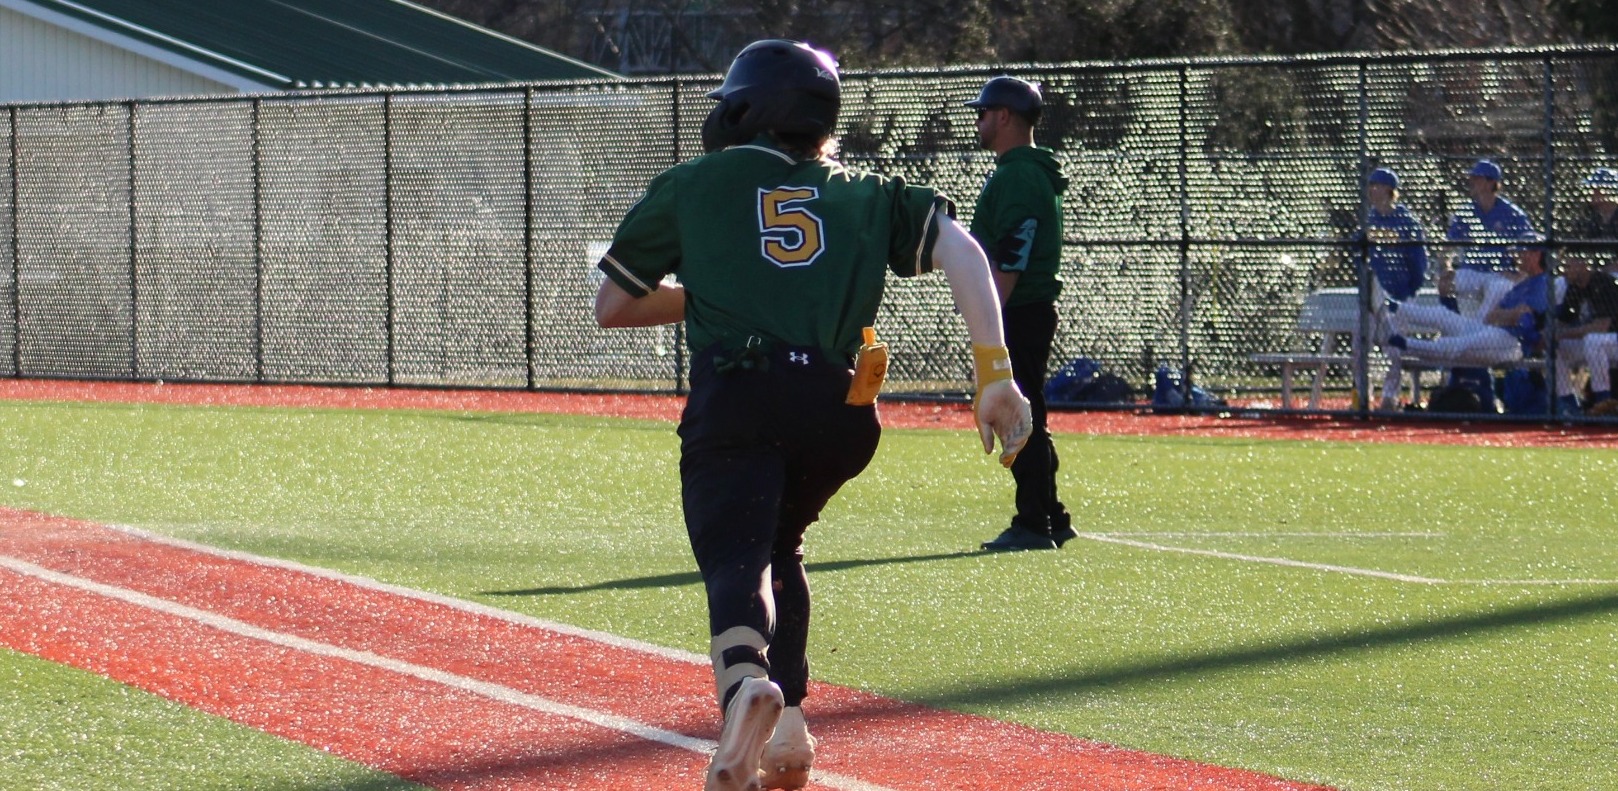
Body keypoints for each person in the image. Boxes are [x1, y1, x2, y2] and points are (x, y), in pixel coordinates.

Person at [592, 40, 1033, 791]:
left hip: (741, 390)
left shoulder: (696, 182)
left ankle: (745, 691)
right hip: (838, 407)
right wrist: (994, 373)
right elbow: (963, 252)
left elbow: (615, 303)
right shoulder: (866, 188)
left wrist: (711, 295)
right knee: (782, 541)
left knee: (735, 551)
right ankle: (791, 729)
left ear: (746, 106)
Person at [964, 75, 1075, 553]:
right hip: (1025, 308)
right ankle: (1050, 514)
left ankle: (1033, 523)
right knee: (1031, 412)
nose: (979, 120)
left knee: (1018, 413)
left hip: (1018, 311)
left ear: (1004, 116)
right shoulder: (1022, 170)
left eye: (984, 113)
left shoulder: (1018, 174)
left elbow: (1013, 252)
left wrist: (990, 317)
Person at [1384, 239, 1555, 372]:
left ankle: (1401, 342)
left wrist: (1510, 316)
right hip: (1493, 332)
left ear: (1537, 255)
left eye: (1525, 252)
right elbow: (1492, 316)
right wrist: (1511, 315)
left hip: (1512, 344)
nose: (1519, 256)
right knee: (1444, 316)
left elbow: (1528, 320)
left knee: (1457, 346)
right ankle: (1392, 306)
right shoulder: (1521, 284)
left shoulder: (1544, 284)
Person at [1360, 167, 1428, 410]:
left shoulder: (1406, 221)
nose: (1372, 190)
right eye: (1371, 185)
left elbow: (1419, 262)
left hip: (1399, 293)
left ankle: (1390, 397)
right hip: (1373, 293)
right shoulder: (1369, 219)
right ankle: (1362, 396)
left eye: (1377, 185)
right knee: (1361, 345)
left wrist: (1411, 291)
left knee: (1394, 348)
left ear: (1390, 190)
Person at [1552, 252, 1618, 415]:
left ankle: (1604, 402)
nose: (1564, 271)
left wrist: (1563, 334)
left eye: (1568, 266)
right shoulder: (1574, 288)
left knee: (1593, 340)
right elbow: (1563, 319)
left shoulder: (1603, 283)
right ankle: (1567, 402)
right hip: (1601, 345)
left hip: (1613, 337)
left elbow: (1602, 326)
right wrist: (1547, 332)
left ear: (1582, 264)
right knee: (1557, 346)